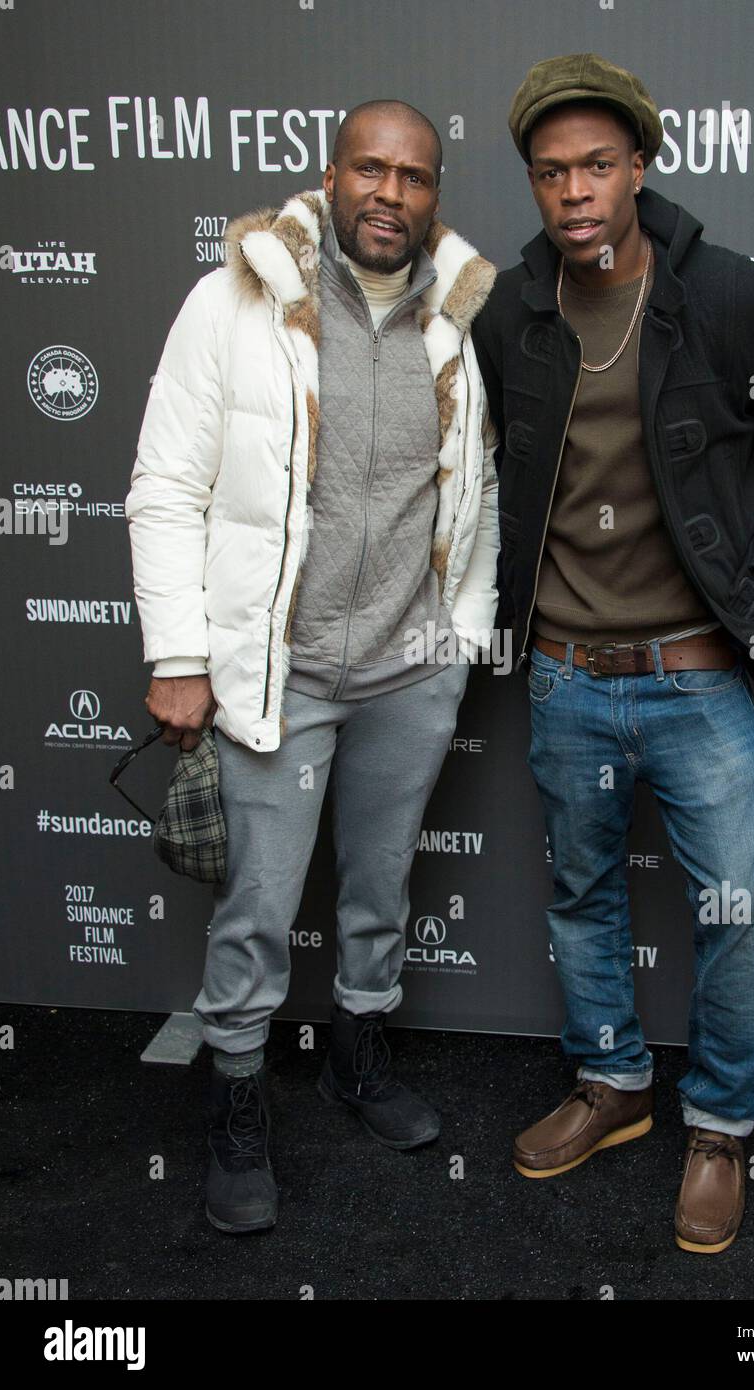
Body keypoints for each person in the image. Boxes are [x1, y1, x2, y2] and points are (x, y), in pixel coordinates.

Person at [470, 54, 754, 1253]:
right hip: (568, 679)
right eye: (550, 172)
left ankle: (721, 1125)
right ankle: (612, 1082)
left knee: (734, 911)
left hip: (698, 680)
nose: (574, 190)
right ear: (531, 186)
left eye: (596, 164)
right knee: (580, 897)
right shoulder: (510, 315)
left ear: (639, 166)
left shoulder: (725, 296)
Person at [126, 100, 500, 1233]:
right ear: (331, 175)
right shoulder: (234, 304)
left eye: (415, 177)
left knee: (381, 887)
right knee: (258, 904)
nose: (390, 194)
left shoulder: (452, 319)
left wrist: (459, 632)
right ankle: (236, 1094)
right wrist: (182, 655)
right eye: (369, 169)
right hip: (277, 677)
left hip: (409, 670)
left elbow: (467, 488)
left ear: (436, 194)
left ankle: (355, 1053)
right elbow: (165, 488)